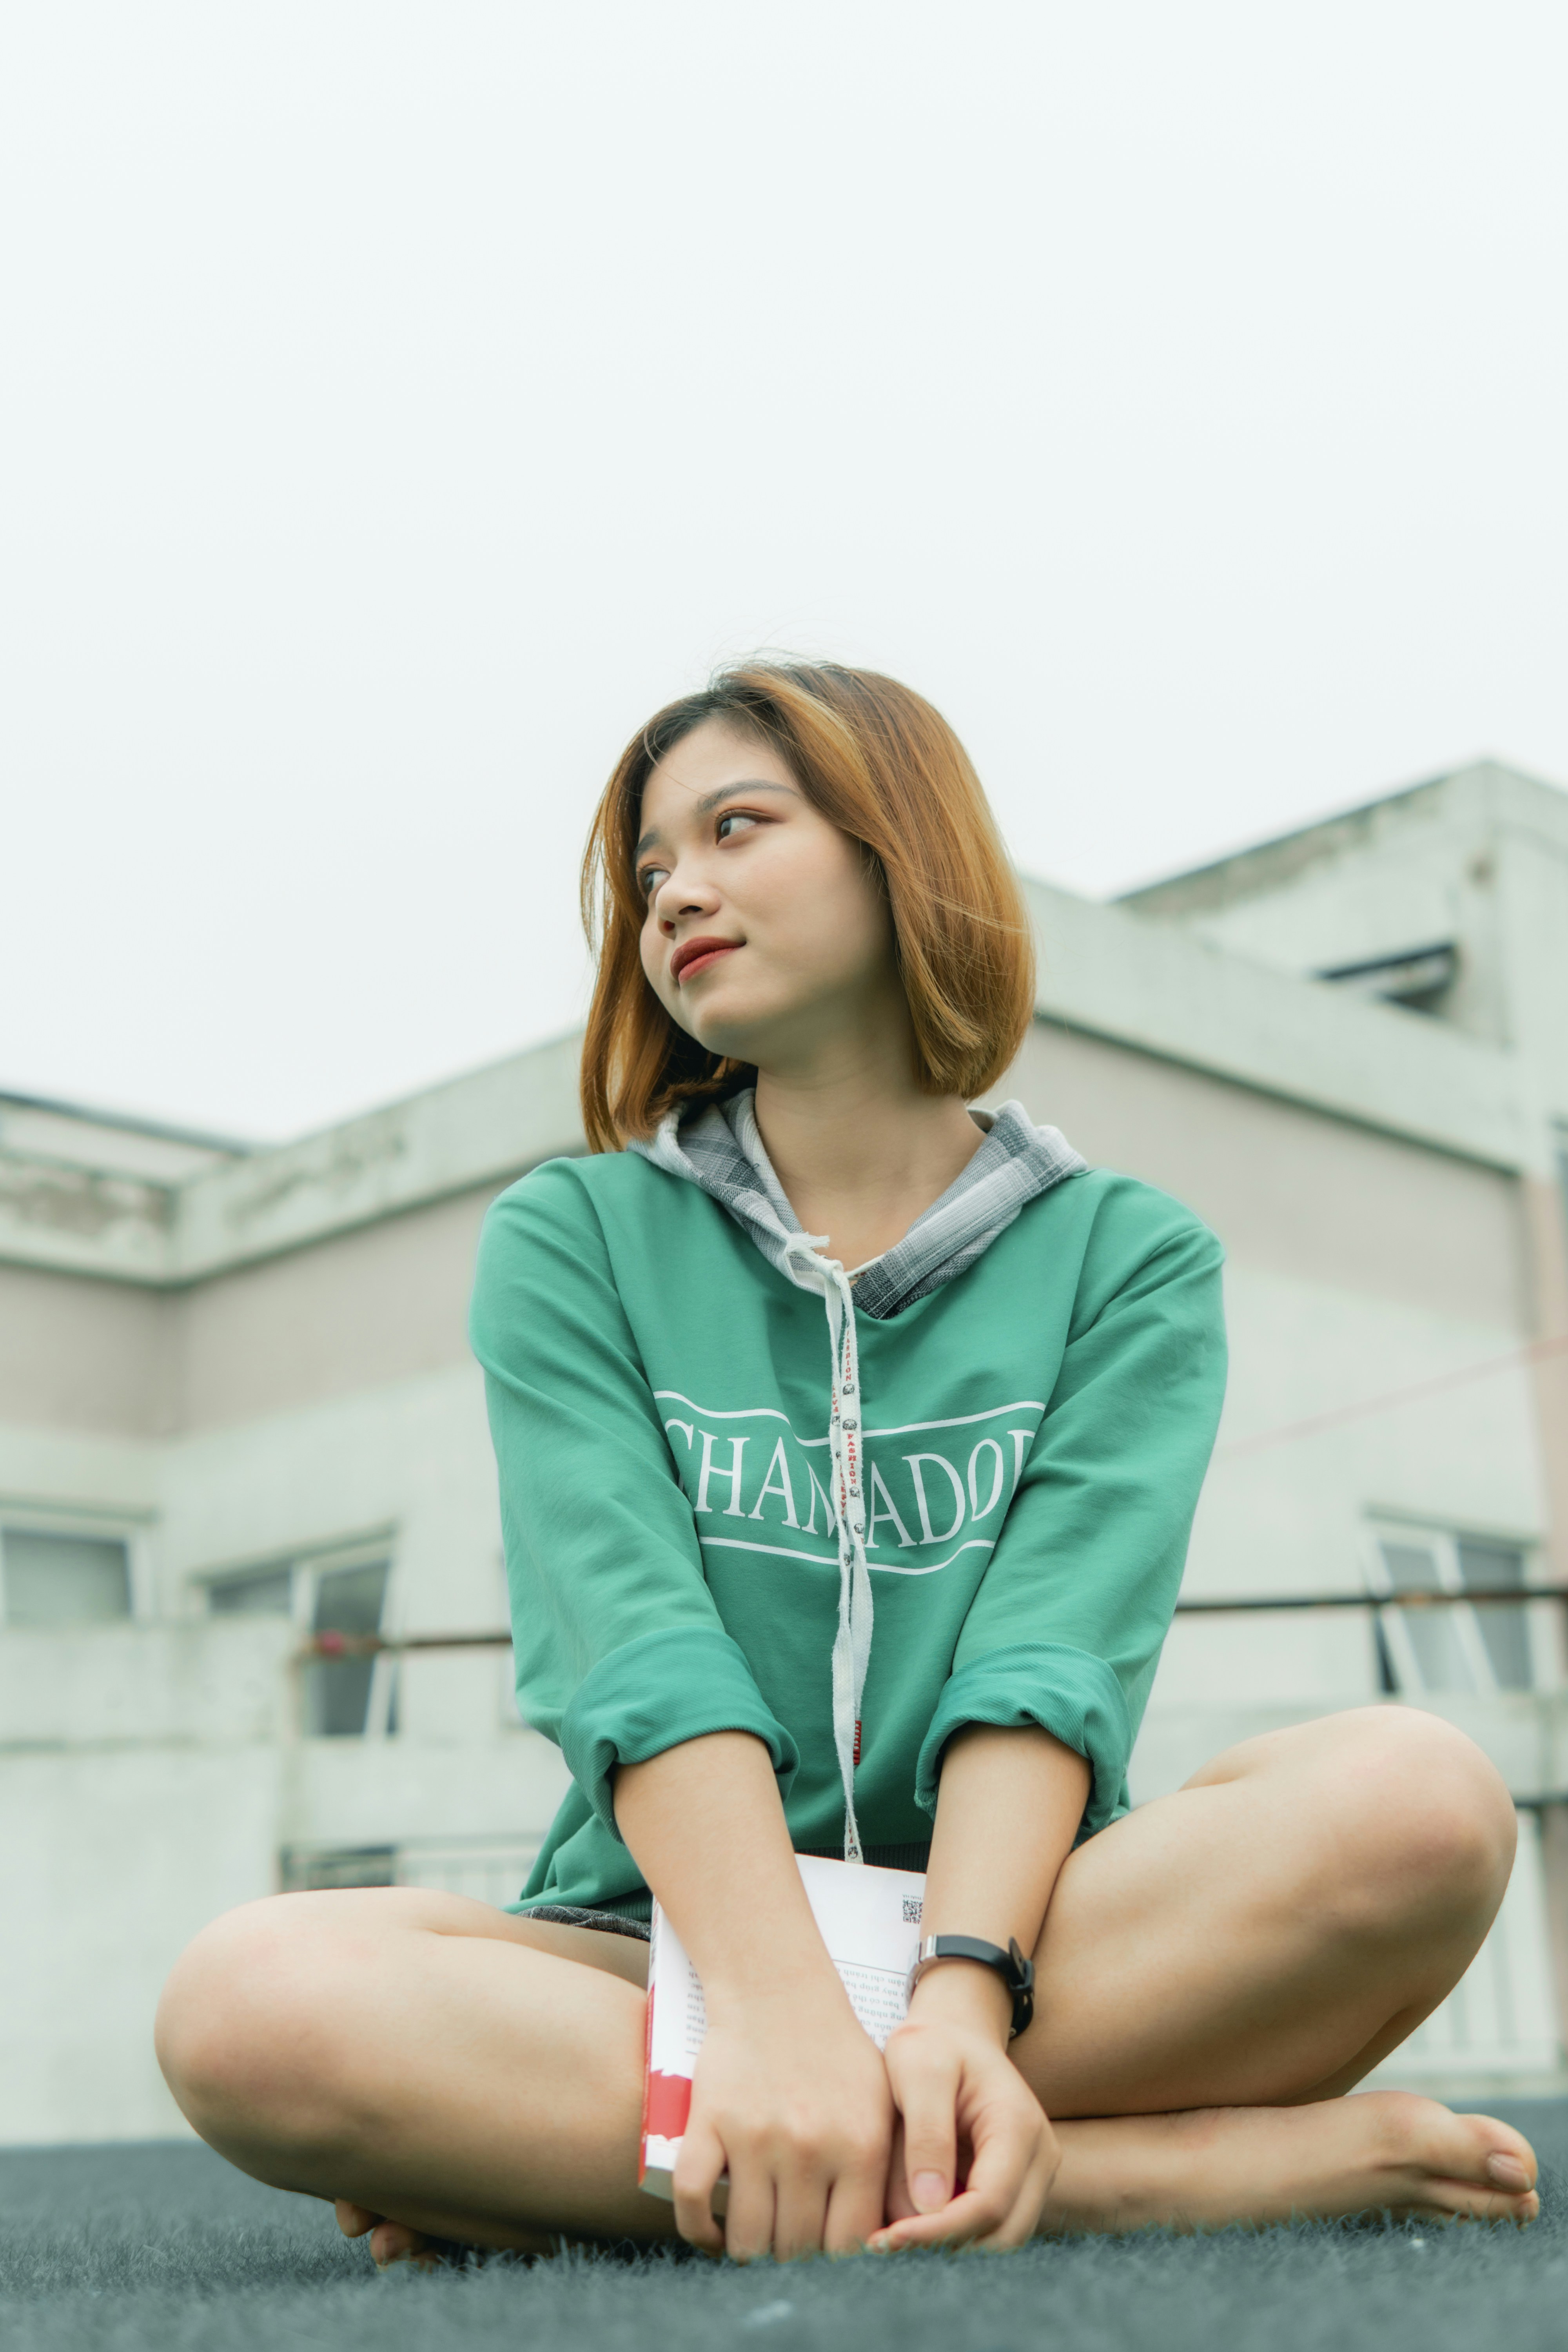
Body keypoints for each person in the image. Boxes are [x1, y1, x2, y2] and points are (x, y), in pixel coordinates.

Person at [156, 661, 1539, 2261]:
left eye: (736, 827)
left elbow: (1050, 1654)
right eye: (650, 868)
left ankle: (631, 2162)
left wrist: (957, 1998)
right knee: (245, 2008)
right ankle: (1149, 2177)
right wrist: (765, 2006)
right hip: (661, 1946)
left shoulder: (1128, 1258)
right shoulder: (573, 1237)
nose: (678, 890)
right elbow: (632, 1643)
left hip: (1023, 1951)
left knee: (1422, 1807)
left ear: (905, 851)